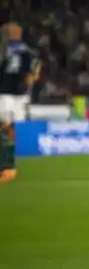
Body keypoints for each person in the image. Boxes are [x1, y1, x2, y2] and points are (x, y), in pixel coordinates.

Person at [1, 22, 41, 183]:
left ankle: (7, 166)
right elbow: (33, 76)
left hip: (3, 93)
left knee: (4, 128)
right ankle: (9, 166)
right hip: (20, 96)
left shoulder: (3, 50)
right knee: (10, 130)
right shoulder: (29, 52)